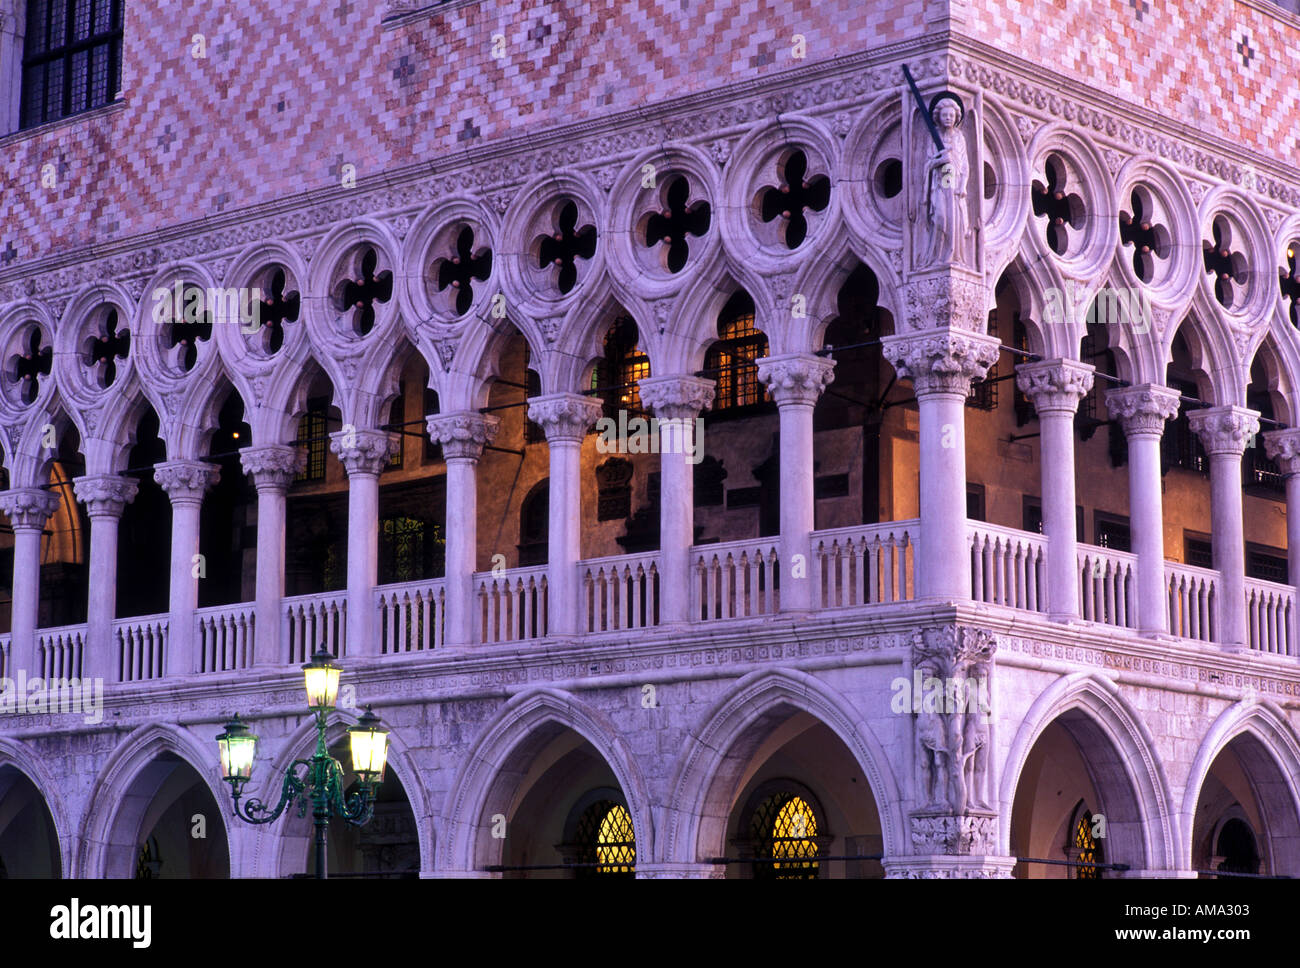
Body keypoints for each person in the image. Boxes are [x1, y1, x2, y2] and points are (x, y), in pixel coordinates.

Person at [922, 94, 970, 267]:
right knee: (940, 217)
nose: (948, 118)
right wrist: (941, 160)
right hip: (940, 184)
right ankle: (936, 257)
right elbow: (928, 163)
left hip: (955, 185)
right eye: (944, 115)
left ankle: (952, 256)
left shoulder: (959, 138)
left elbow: (965, 166)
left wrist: (963, 186)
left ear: (956, 118)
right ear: (938, 118)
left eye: (951, 115)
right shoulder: (933, 137)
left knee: (954, 221)